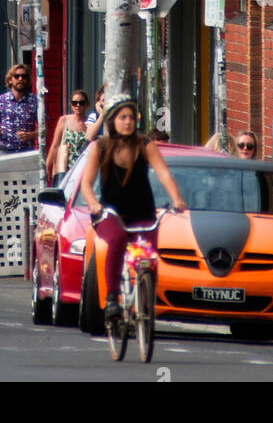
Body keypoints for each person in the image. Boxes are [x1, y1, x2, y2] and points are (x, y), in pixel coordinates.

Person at [81, 96, 187, 320]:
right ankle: (111, 298)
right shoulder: (100, 147)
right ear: (113, 121)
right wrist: (93, 204)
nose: (128, 122)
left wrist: (177, 198)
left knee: (149, 255)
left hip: (142, 211)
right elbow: (86, 184)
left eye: (131, 117)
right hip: (111, 213)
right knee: (117, 239)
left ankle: (146, 299)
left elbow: (163, 173)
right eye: (123, 117)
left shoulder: (144, 144)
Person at [0, 64, 38, 154]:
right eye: (16, 76)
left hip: (26, 152)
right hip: (4, 152)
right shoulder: (1, 100)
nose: (20, 79)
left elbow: (44, 130)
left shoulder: (34, 101)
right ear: (10, 80)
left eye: (23, 76)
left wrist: (29, 135)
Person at [45, 88, 90, 184]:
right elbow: (55, 145)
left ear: (87, 105)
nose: (78, 105)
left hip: (82, 168)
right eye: (75, 103)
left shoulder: (90, 124)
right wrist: (47, 165)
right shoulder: (64, 120)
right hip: (64, 166)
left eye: (81, 103)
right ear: (71, 105)